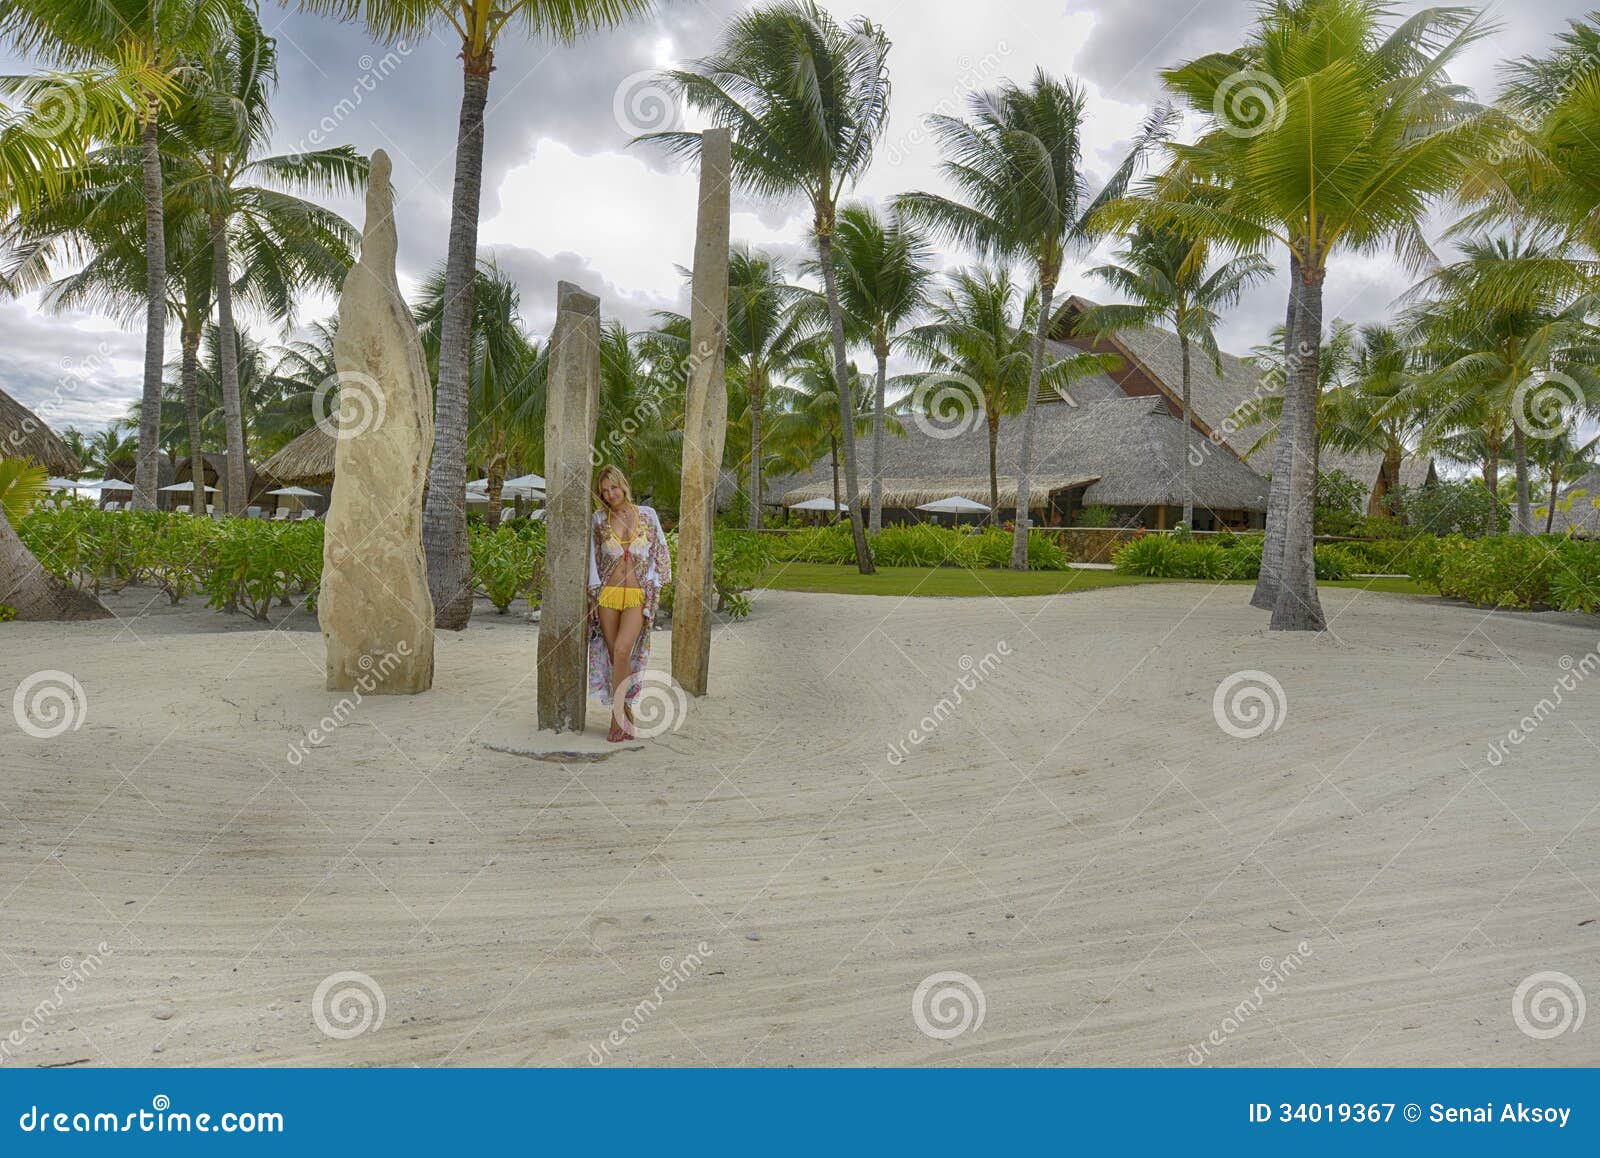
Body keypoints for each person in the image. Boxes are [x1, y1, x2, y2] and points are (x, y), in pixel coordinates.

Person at [585, 465, 672, 741]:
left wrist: (652, 591)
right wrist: (593, 597)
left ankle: (617, 717)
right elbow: (593, 560)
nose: (610, 494)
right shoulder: (599, 520)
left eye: (614, 487)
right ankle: (627, 718)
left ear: (623, 485)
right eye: (605, 491)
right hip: (608, 594)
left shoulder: (647, 515)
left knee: (623, 650)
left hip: (636, 596)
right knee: (614, 657)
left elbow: (661, 555)